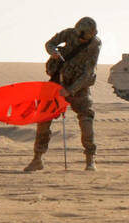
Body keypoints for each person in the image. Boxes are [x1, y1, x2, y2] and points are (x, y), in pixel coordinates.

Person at [24, 17, 101, 172]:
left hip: (79, 86)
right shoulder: (69, 33)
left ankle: (90, 159)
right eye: (80, 36)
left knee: (86, 118)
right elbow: (49, 43)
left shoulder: (95, 45)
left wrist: (71, 90)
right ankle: (37, 158)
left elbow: (88, 73)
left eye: (85, 38)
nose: (82, 40)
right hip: (57, 81)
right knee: (44, 117)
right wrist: (53, 52)